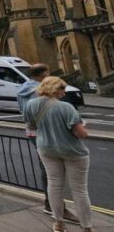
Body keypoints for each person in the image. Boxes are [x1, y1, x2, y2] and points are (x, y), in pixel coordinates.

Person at [24, 77, 92, 232]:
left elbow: (31, 126)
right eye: (62, 89)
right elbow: (80, 133)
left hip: (47, 149)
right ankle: (86, 227)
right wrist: (84, 128)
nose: (63, 92)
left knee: (54, 185)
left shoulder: (31, 104)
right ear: (54, 89)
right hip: (72, 151)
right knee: (79, 190)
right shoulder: (66, 107)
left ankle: (59, 223)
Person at [17, 64, 79, 225]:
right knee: (54, 172)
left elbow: (25, 115)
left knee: (48, 170)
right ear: (43, 74)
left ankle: (50, 204)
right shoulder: (39, 91)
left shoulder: (22, 89)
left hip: (33, 132)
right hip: (45, 133)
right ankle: (56, 208)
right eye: (47, 72)